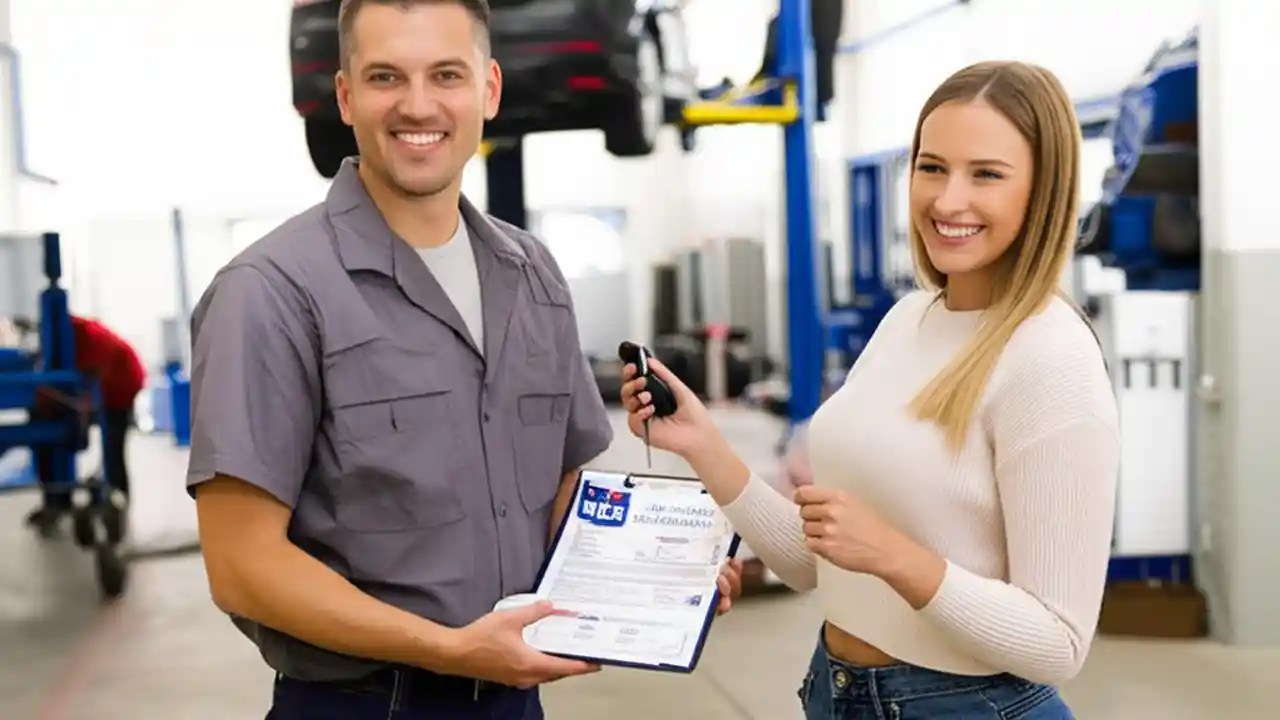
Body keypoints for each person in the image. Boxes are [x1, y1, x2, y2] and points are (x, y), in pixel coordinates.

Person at [186, 1, 741, 718]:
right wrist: (450, 650)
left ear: (489, 90)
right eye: (387, 77)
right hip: (360, 704)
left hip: (510, 698)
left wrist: (665, 577)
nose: (419, 105)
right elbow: (242, 568)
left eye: (446, 74)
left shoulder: (532, 274)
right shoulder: (269, 294)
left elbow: (559, 494)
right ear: (347, 96)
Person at [622, 60, 1120, 719]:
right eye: (932, 166)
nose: (947, 200)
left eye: (987, 174)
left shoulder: (1050, 357)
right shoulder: (907, 320)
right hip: (839, 692)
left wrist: (898, 558)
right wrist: (703, 446)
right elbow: (814, 563)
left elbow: (1059, 643)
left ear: (1042, 191)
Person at [21, 315, 145, 534]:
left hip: (120, 389)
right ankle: (57, 500)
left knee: (113, 449)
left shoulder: (88, 339)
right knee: (53, 438)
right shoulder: (69, 338)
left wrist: (83, 404)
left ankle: (117, 502)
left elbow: (97, 373)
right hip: (102, 385)